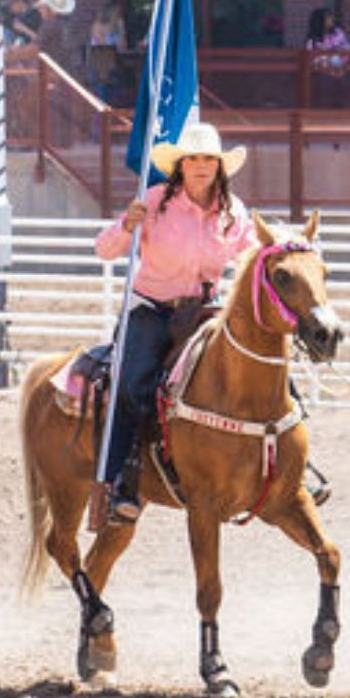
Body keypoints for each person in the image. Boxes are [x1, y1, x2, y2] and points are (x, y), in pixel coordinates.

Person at [90, 122, 258, 523]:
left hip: (206, 310)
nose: (201, 166)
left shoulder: (233, 213)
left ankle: (287, 465)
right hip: (153, 310)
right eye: (194, 159)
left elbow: (253, 256)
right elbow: (104, 250)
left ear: (220, 167)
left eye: (209, 160)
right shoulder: (152, 201)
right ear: (181, 165)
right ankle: (123, 481)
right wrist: (125, 225)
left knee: (262, 370)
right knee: (132, 385)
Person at [306, 7, 350, 108]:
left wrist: (339, 61)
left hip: (339, 69)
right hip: (320, 71)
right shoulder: (313, 38)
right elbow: (311, 57)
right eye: (328, 18)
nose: (331, 20)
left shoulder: (338, 33)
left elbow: (346, 50)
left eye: (331, 18)